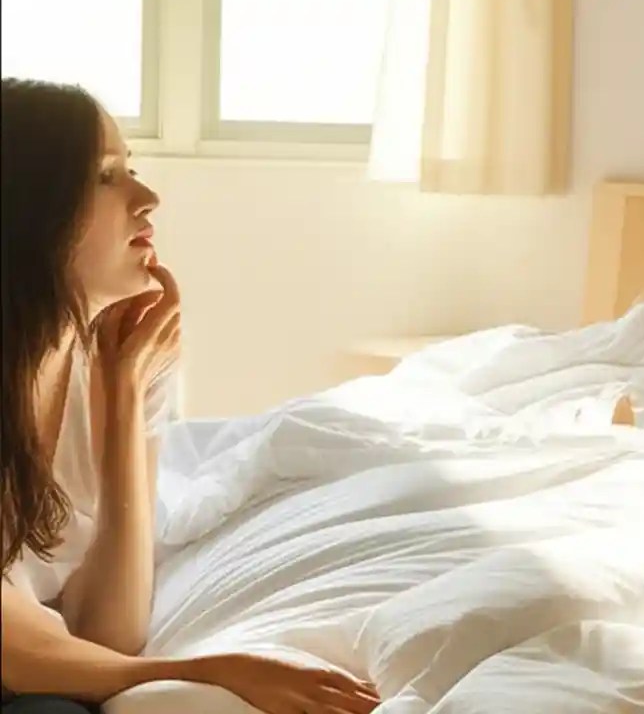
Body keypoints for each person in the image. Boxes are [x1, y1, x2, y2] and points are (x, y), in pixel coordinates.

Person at [0, 79, 380, 714]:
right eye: (104, 177)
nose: (147, 199)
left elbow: (107, 632)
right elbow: (16, 647)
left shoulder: (126, 360)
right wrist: (212, 670)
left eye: (133, 170)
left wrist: (121, 400)